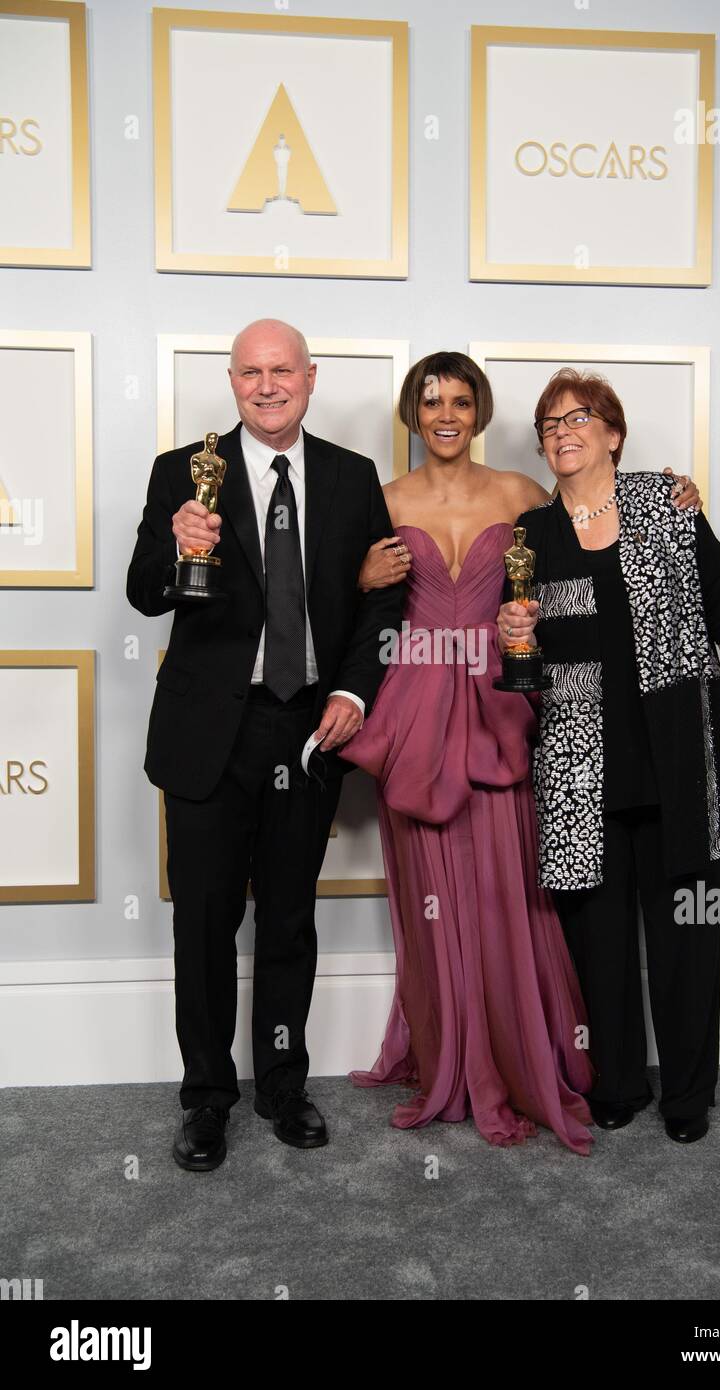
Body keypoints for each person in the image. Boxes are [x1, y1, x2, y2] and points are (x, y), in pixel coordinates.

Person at [339, 352, 702, 1152]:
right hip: (420, 707)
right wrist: (361, 576)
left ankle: (523, 1054)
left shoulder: (522, 495)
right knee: (436, 893)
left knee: (514, 888)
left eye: (461, 401)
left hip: (509, 700)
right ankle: (454, 1060)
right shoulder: (382, 500)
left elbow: (589, 533)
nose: (445, 413)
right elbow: (343, 606)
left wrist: (666, 496)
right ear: (411, 411)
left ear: (480, 412)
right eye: (430, 400)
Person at [126, 319, 404, 1171]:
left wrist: (356, 690)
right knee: (206, 925)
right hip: (211, 730)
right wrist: (179, 549)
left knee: (288, 918)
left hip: (308, 728)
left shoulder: (354, 479)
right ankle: (206, 1098)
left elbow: (384, 601)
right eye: (250, 372)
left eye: (282, 370)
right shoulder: (183, 471)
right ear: (233, 381)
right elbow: (142, 594)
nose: (267, 385)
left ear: (311, 378)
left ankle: (284, 1085)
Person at [498, 368, 720, 1144]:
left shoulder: (668, 504)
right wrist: (510, 638)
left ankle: (687, 1096)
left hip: (680, 752)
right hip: (582, 765)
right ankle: (616, 1081)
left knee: (686, 934)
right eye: (548, 424)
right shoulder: (533, 534)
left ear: (614, 434)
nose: (562, 433)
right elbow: (524, 654)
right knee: (601, 939)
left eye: (578, 418)